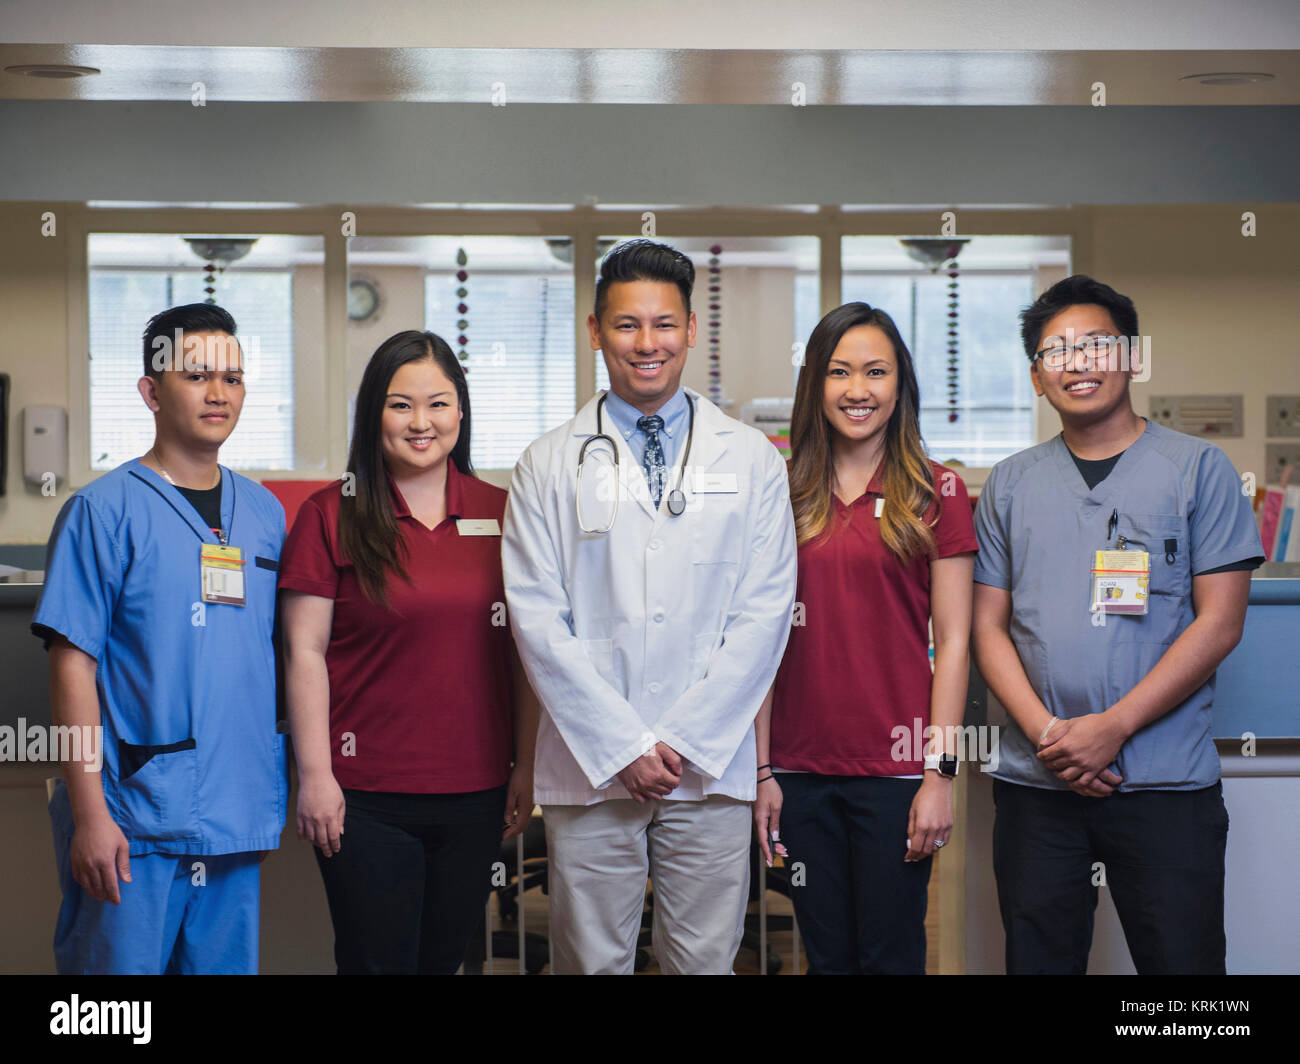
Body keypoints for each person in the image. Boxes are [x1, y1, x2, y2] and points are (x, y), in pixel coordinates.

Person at [502, 239, 797, 975]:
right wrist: (624, 746)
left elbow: (764, 615)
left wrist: (686, 740)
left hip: (711, 761)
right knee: (592, 961)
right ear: (595, 331)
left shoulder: (752, 458)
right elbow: (538, 621)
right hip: (592, 763)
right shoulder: (546, 463)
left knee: (702, 962)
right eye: (626, 325)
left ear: (692, 331)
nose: (647, 343)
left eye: (664, 324)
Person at [971, 275, 1264, 975]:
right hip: (1038, 787)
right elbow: (987, 627)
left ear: (1131, 356)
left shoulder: (1198, 470)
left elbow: (1220, 623)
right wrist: (1051, 736)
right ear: (1038, 378)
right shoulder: (1009, 485)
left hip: (1164, 788)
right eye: (1056, 352)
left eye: (1095, 344)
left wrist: (1113, 727)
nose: (1077, 362)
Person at [33, 303, 288, 974]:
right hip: (133, 818)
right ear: (151, 391)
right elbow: (72, 669)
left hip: (233, 812)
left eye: (233, 377)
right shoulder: (102, 511)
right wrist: (90, 815)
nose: (218, 393)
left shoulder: (263, 513)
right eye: (197, 375)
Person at [278, 330, 537, 975]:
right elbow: (303, 654)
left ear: (461, 411)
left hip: (476, 792)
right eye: (400, 405)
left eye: (439, 403)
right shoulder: (329, 515)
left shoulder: (504, 515)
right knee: (377, 963)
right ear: (374, 413)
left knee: (450, 961)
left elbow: (528, 658)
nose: (421, 423)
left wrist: (526, 767)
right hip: (363, 795)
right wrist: (315, 777)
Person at [753, 302, 977, 974]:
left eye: (876, 372)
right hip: (798, 770)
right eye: (840, 371)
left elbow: (958, 641)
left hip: (896, 772)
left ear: (900, 385)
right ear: (815, 385)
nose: (858, 390)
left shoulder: (937, 491)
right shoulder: (780, 489)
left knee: (891, 953)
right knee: (825, 956)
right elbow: (756, 641)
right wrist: (760, 770)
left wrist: (939, 776)